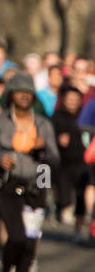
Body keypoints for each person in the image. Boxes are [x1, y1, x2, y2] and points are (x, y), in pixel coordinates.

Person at [0, 74, 58, 272]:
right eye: (19, 91)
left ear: (34, 96)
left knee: (31, 241)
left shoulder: (44, 125)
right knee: (17, 236)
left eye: (29, 92)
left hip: (36, 187)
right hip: (7, 184)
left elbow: (55, 159)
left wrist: (43, 147)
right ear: (10, 95)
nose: (24, 95)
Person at [49, 83, 91, 234]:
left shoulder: (85, 115)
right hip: (63, 161)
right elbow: (48, 136)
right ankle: (60, 208)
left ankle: (78, 229)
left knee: (81, 194)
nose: (72, 102)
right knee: (63, 192)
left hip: (82, 160)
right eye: (69, 99)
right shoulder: (57, 116)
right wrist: (58, 138)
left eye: (75, 99)